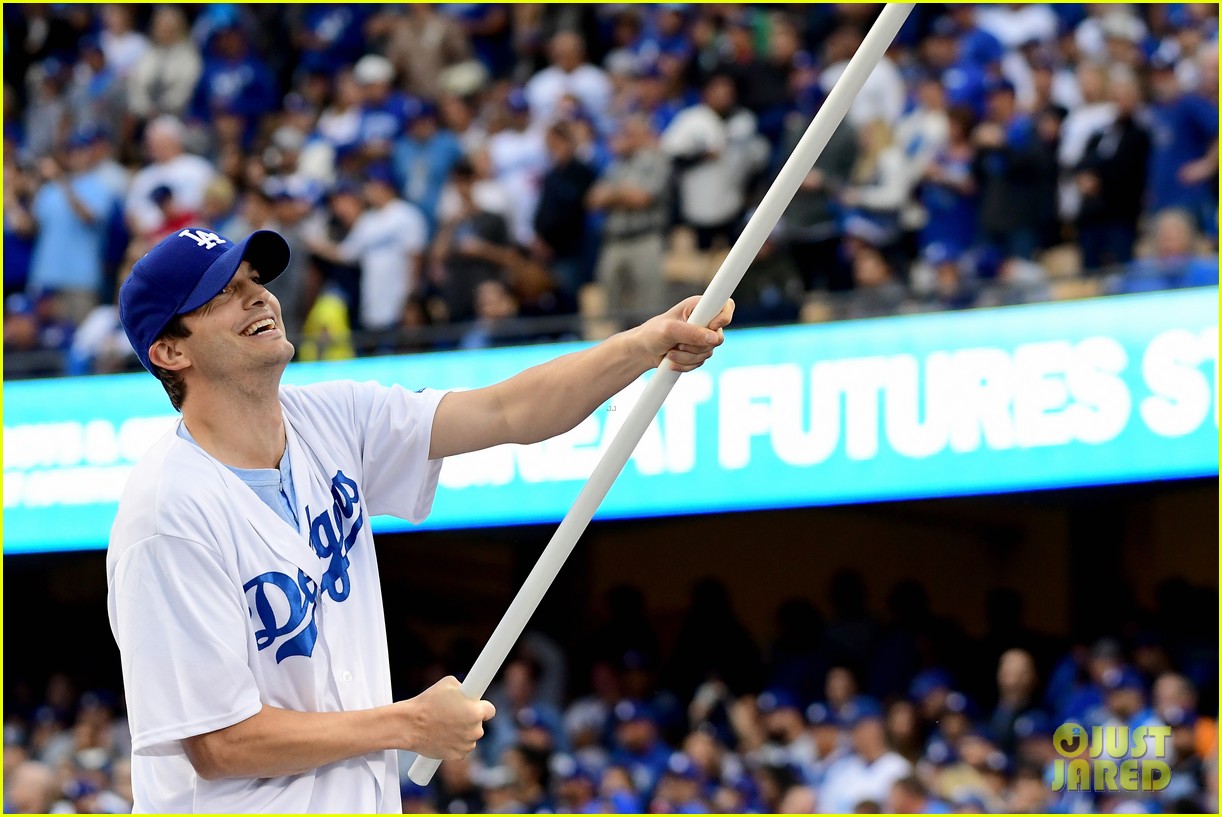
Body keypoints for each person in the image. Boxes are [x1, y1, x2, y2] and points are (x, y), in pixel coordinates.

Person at [107, 225, 733, 812]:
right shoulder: (166, 516)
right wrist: (409, 724)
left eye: (253, 280)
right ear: (168, 349)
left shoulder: (332, 417)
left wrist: (643, 345)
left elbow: (508, 411)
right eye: (224, 294)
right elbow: (220, 744)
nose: (258, 298)